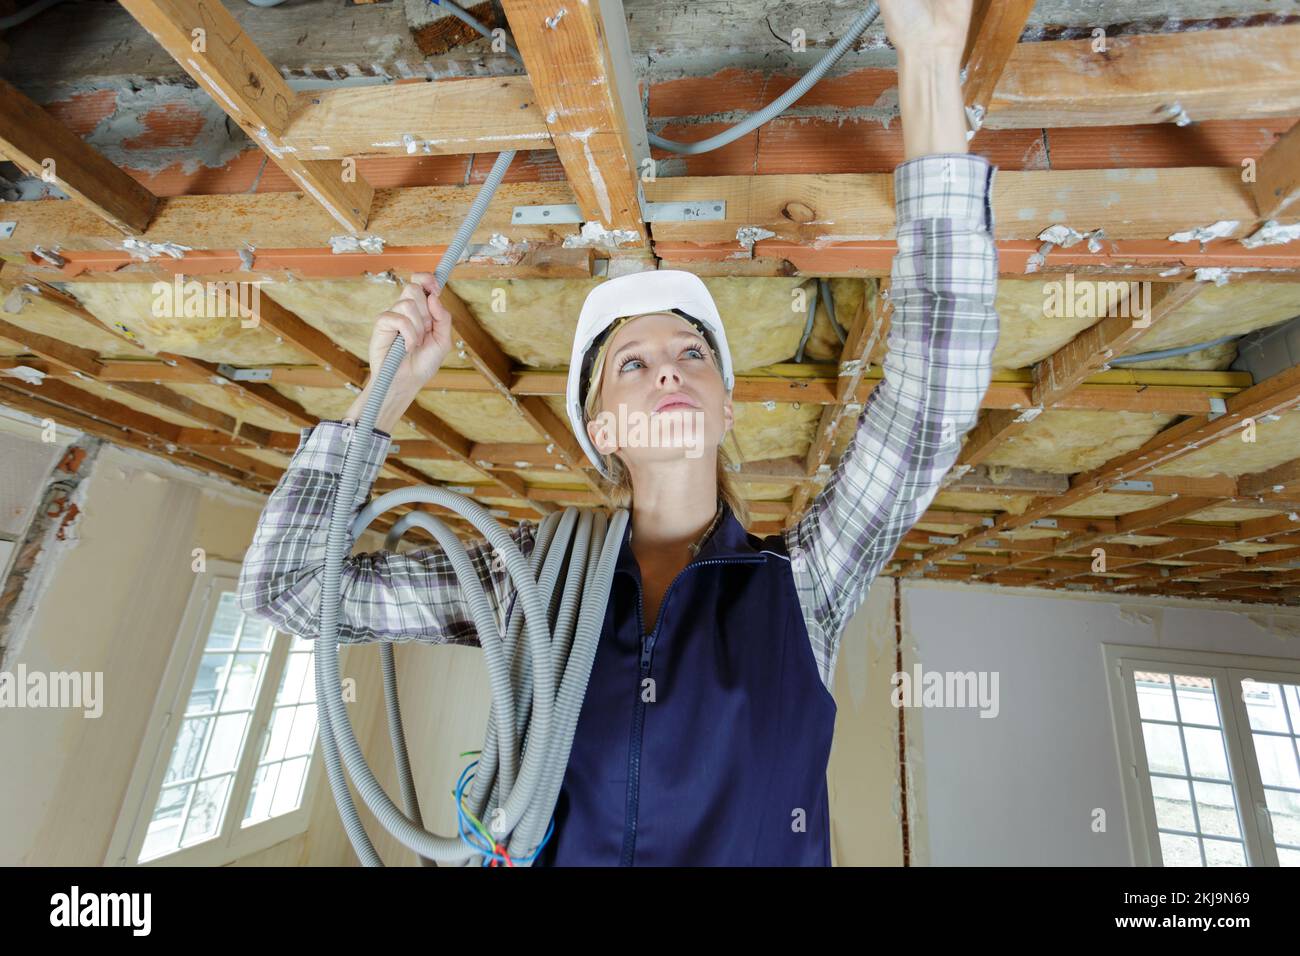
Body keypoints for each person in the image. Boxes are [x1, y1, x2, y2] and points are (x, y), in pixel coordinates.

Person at [237, 0, 998, 866]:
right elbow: (292, 588)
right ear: (603, 430)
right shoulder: (527, 587)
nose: (668, 367)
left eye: (690, 353)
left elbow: (934, 397)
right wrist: (387, 397)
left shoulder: (805, 584)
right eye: (633, 364)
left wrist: (931, 56)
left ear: (724, 407)